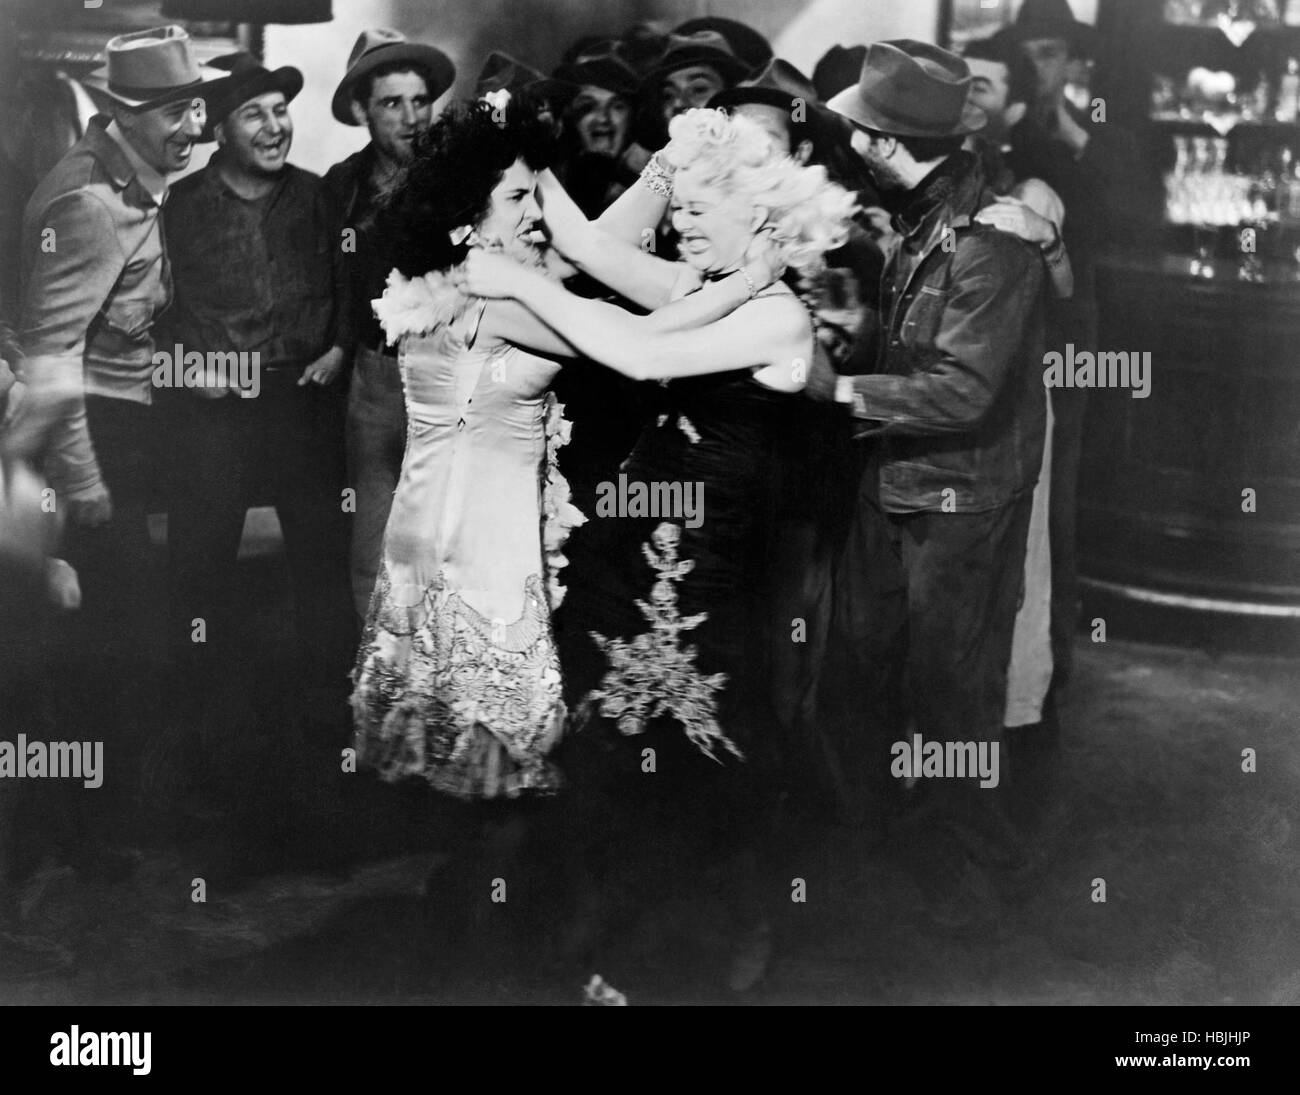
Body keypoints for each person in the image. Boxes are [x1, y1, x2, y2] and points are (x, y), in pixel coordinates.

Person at [350, 103, 775, 959]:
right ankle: (490, 947)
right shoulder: (488, 295)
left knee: (482, 756)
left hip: (442, 529)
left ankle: (474, 914)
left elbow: (581, 259)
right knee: (508, 755)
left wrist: (658, 173)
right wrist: (747, 283)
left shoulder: (451, 278)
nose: (536, 213)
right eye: (517, 198)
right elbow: (631, 339)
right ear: (471, 215)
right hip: (479, 547)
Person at [461, 106, 855, 991]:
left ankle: (678, 953)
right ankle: (607, 945)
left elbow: (636, 356)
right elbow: (595, 257)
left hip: (702, 570)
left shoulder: (779, 318)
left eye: (698, 209)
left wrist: (517, 285)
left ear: (756, 215)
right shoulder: (719, 286)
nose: (679, 222)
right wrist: (520, 143)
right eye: (678, 207)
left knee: (688, 755)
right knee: (612, 746)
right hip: (639, 547)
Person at [807, 41, 1049, 859]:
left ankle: (969, 861)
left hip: (963, 501)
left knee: (955, 691)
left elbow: (962, 392)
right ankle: (867, 841)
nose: (853, 149)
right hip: (891, 480)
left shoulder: (991, 244)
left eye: (860, 135)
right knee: (861, 663)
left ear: (884, 143)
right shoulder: (916, 218)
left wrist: (835, 392)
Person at [158, 53, 356, 747]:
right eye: (255, 114)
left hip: (305, 402)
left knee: (324, 572)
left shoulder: (319, 198)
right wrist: (189, 369)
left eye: (281, 110)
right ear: (218, 130)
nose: (276, 127)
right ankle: (200, 733)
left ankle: (329, 728)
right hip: (215, 415)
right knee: (199, 570)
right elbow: (154, 318)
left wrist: (339, 345)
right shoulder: (180, 210)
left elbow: (352, 283)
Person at [1005, 0, 1145, 686]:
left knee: (1058, 487)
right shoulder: (996, 124)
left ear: (1076, 59)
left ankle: (1056, 654)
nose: (1041, 66)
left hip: (1068, 325)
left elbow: (1119, 201)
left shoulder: (1091, 121)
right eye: (1031, 54)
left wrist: (1058, 109)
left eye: (1054, 52)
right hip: (1004, 324)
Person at [323, 28, 456, 619]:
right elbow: (326, 282)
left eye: (420, 100)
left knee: (446, 542)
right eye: (391, 103)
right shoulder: (340, 188)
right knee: (371, 542)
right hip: (374, 382)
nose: (410, 118)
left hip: (452, 378)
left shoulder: (462, 179)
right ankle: (378, 689)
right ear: (361, 111)